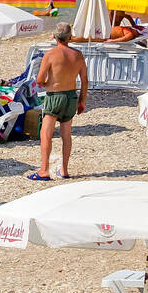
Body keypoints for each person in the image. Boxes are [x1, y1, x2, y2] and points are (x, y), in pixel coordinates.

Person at [28, 23, 88, 181]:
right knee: (66, 135)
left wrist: (48, 84)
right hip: (71, 96)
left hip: (55, 96)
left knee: (46, 134)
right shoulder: (78, 55)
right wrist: (82, 101)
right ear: (70, 37)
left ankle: (44, 170)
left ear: (54, 36)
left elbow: (40, 79)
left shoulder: (50, 54)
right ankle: (64, 170)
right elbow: (85, 80)